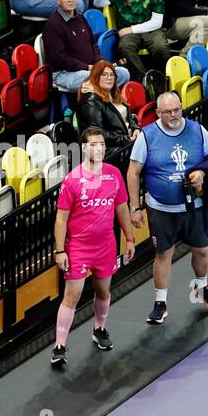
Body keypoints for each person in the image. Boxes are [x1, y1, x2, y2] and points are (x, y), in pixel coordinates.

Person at [126, 92, 208, 324]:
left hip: (193, 207)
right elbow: (133, 173)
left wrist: (201, 174)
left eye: (177, 109)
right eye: (168, 112)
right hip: (161, 209)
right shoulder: (147, 136)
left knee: (202, 249)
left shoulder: (197, 130)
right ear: (158, 113)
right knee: (163, 254)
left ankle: (201, 288)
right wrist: (135, 207)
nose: (174, 115)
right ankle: (160, 304)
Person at [49, 125, 135, 369]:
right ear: (84, 148)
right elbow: (61, 219)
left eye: (102, 144)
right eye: (94, 145)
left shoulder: (114, 174)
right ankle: (60, 345)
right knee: (72, 295)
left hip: (106, 245)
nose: (99, 148)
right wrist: (60, 250)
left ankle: (99, 329)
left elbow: (121, 209)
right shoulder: (72, 180)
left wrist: (129, 238)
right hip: (77, 247)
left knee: (103, 291)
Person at [43, 0, 130, 92]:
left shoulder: (80, 16)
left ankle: (108, 103)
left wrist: (100, 62)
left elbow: (93, 44)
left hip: (90, 68)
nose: (70, 0)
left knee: (123, 73)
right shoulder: (53, 25)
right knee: (95, 79)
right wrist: (88, 67)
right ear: (57, 0)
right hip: (65, 73)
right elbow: (59, 59)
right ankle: (103, 104)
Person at [95, 0, 169, 79]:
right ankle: (143, 79)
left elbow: (157, 22)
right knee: (125, 47)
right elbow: (98, 3)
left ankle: (163, 75)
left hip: (150, 29)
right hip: (126, 29)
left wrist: (131, 29)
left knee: (160, 47)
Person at [74, 60, 138, 168]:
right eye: (104, 74)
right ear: (96, 76)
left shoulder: (113, 93)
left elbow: (127, 116)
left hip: (125, 142)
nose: (109, 78)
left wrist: (136, 128)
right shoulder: (91, 99)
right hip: (108, 150)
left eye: (112, 75)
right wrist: (126, 139)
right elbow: (97, 132)